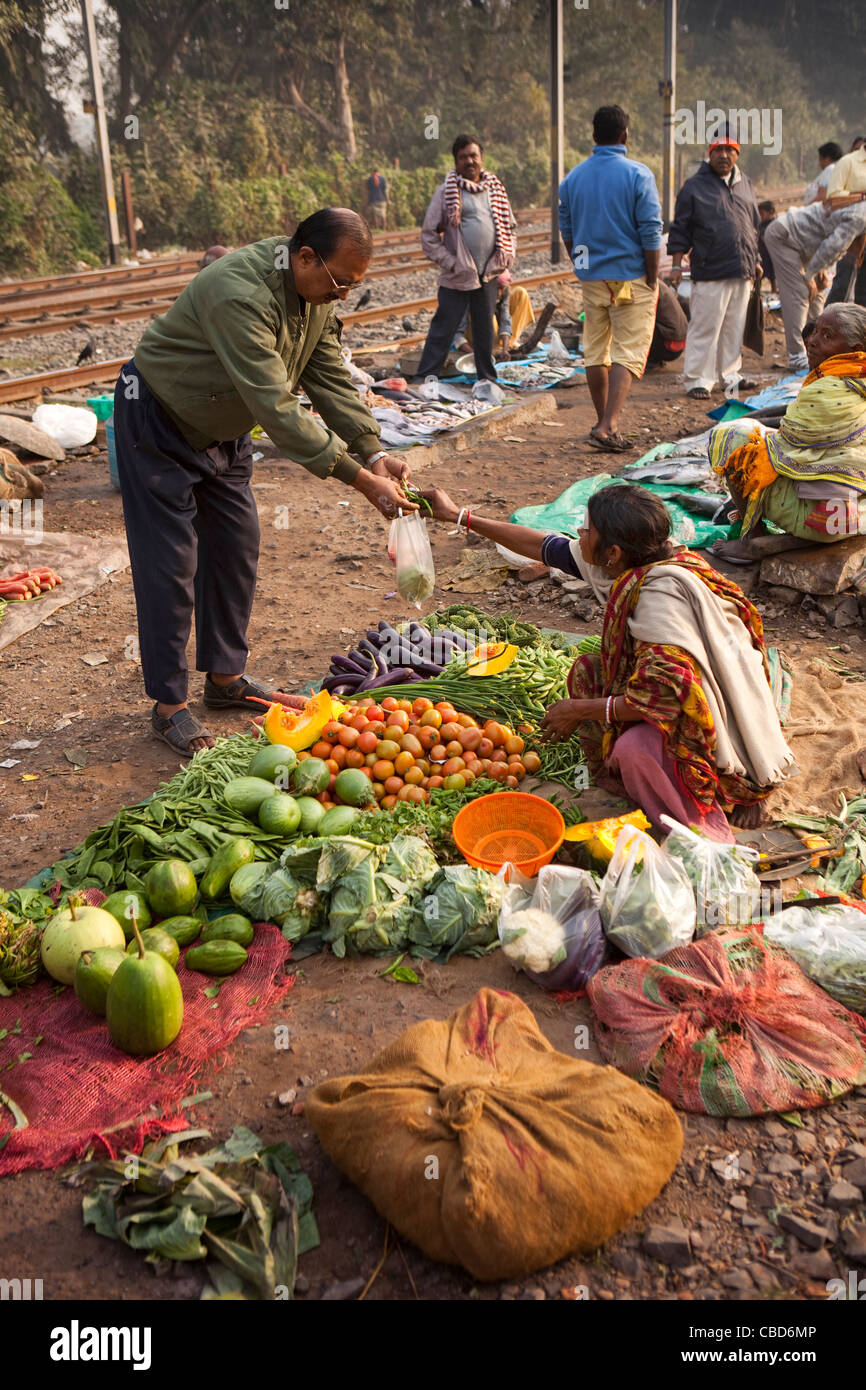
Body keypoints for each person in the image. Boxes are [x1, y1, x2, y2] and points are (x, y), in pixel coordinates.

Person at [113, 207, 417, 757]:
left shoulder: (314, 295)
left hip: (223, 428)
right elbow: (277, 409)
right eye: (340, 282)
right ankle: (168, 707)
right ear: (304, 257)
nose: (344, 294)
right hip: (159, 420)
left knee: (236, 544)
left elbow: (326, 375)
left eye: (354, 285)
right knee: (170, 565)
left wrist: (373, 451)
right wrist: (358, 480)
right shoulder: (239, 292)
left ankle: (226, 681)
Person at [419, 482, 793, 838]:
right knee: (588, 672)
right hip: (697, 685)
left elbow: (668, 695)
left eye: (588, 529)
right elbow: (547, 547)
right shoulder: (642, 558)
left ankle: (708, 812)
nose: (580, 534)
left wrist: (579, 710)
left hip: (715, 710)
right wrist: (458, 516)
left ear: (613, 552)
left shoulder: (658, 599)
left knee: (634, 753)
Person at [708, 304, 866, 564]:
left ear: (854, 350)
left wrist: (754, 428)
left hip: (821, 521)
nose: (812, 341)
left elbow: (781, 445)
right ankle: (787, 542)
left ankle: (754, 538)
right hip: (853, 518)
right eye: (815, 331)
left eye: (827, 336)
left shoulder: (827, 390)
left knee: (731, 438)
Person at [558, 105, 662, 451]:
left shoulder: (573, 179)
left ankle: (603, 421)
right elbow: (650, 230)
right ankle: (608, 425)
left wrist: (583, 264)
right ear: (625, 136)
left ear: (593, 136)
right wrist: (652, 275)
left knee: (596, 350)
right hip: (631, 276)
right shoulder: (638, 175)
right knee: (627, 351)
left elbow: (568, 230)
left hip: (593, 277)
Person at [413, 134, 516, 384]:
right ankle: (424, 381)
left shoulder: (495, 189)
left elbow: (510, 227)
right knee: (443, 329)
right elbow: (429, 235)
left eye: (473, 156)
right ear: (456, 161)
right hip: (458, 275)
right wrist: (451, 262)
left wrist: (506, 255)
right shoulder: (447, 191)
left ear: (481, 158)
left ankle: (487, 381)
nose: (469, 161)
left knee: (484, 332)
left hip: (488, 273)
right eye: (463, 157)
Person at [667, 130, 761, 400]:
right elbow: (680, 228)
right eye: (718, 150)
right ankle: (698, 379)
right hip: (710, 270)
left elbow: (753, 226)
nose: (723, 155)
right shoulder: (694, 187)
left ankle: (730, 376)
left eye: (729, 150)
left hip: (742, 269)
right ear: (709, 153)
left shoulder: (745, 184)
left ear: (737, 154)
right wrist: (675, 265)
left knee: (734, 325)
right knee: (705, 327)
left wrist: (757, 260)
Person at [763, 197, 866, 369]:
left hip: (806, 247)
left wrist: (820, 272)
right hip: (785, 236)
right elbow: (833, 247)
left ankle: (815, 349)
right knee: (799, 293)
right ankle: (797, 355)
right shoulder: (860, 217)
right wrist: (810, 274)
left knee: (817, 295)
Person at [825, 140, 866, 307]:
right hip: (852, 238)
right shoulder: (847, 164)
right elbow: (833, 199)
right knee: (843, 286)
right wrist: (860, 196)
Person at [646, 279, 688, 366]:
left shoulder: (648, 285)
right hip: (677, 344)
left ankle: (650, 360)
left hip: (668, 346)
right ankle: (654, 359)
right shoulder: (657, 282)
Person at [757, 202, 777, 291]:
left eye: (762, 213)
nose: (760, 216)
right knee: (758, 277)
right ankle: (757, 294)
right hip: (762, 254)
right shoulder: (761, 225)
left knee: (773, 277)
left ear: (771, 212)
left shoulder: (775, 224)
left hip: (771, 255)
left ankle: (774, 290)